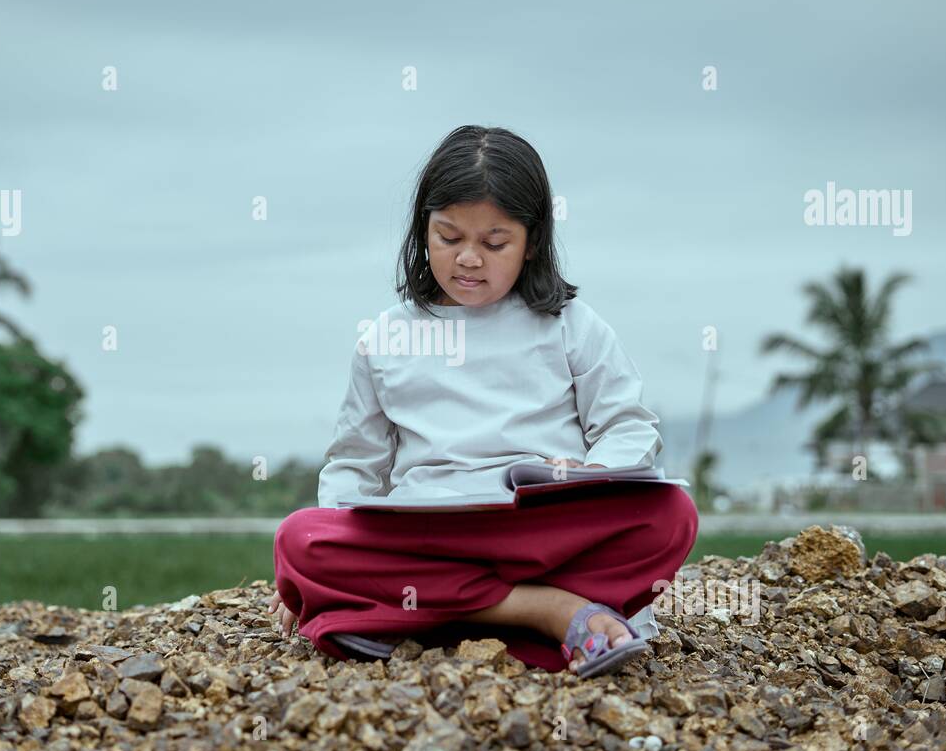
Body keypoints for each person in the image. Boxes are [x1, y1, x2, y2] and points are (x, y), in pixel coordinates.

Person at [270, 125, 698, 677]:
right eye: (449, 237)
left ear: (533, 241)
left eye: (494, 244)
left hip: (540, 532)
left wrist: (590, 471)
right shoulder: (388, 336)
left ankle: (421, 618)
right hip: (430, 539)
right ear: (422, 230)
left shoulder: (570, 325)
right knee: (300, 540)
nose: (469, 259)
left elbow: (628, 427)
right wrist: (303, 576)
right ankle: (547, 611)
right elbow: (357, 464)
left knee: (670, 517)